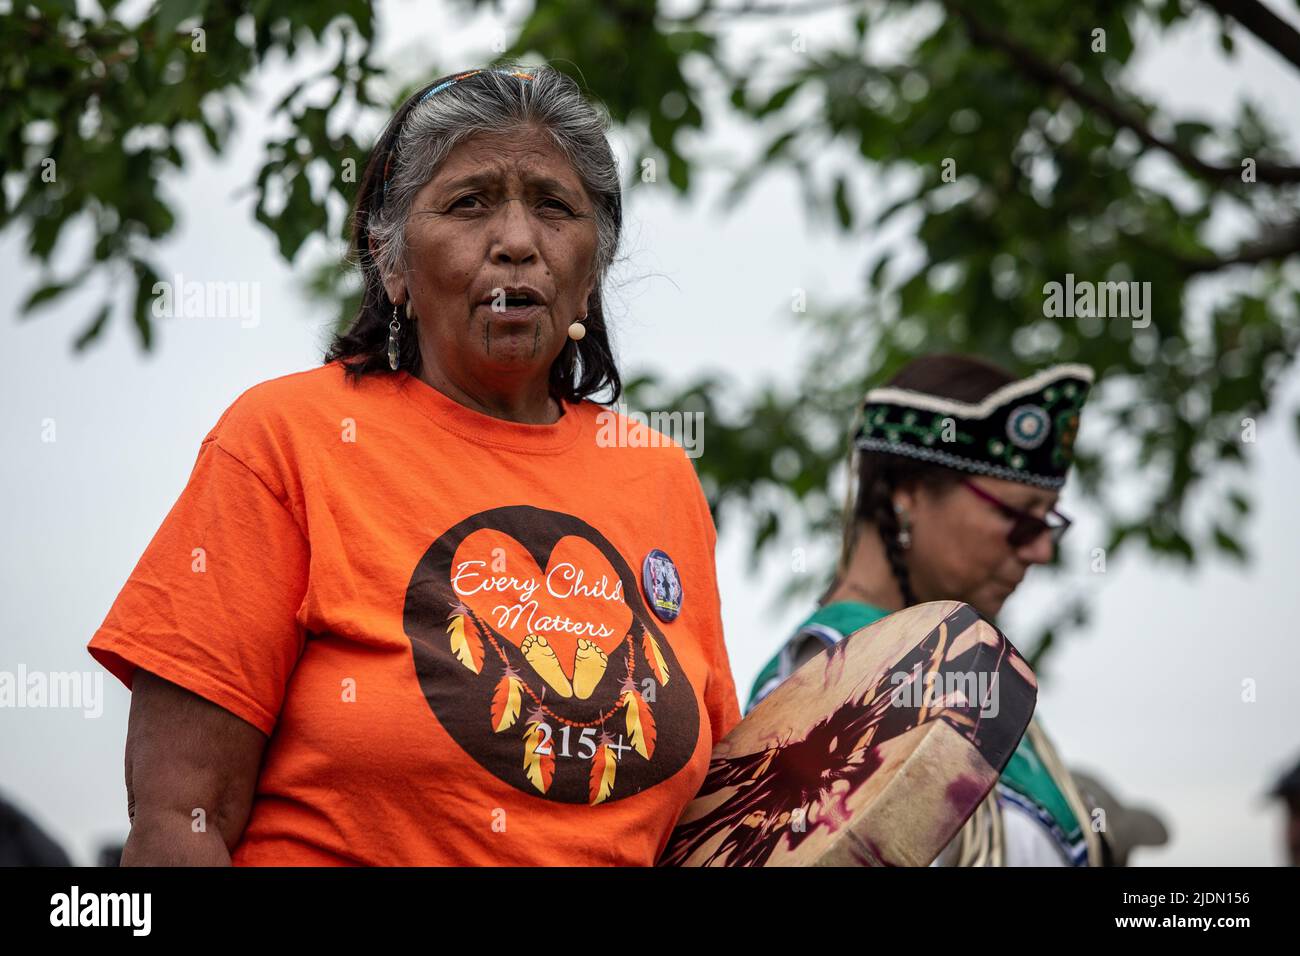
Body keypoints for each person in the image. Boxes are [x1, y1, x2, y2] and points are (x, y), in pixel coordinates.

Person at [88, 65, 741, 866]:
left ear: (591, 274)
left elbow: (717, 818)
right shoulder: (286, 439)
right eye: (470, 203)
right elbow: (178, 822)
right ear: (389, 259)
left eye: (553, 205)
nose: (516, 241)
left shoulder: (659, 476)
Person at [747, 354, 1107, 866]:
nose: (1041, 551)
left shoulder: (975, 676)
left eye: (1050, 522)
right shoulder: (825, 686)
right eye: (1020, 518)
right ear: (908, 493)